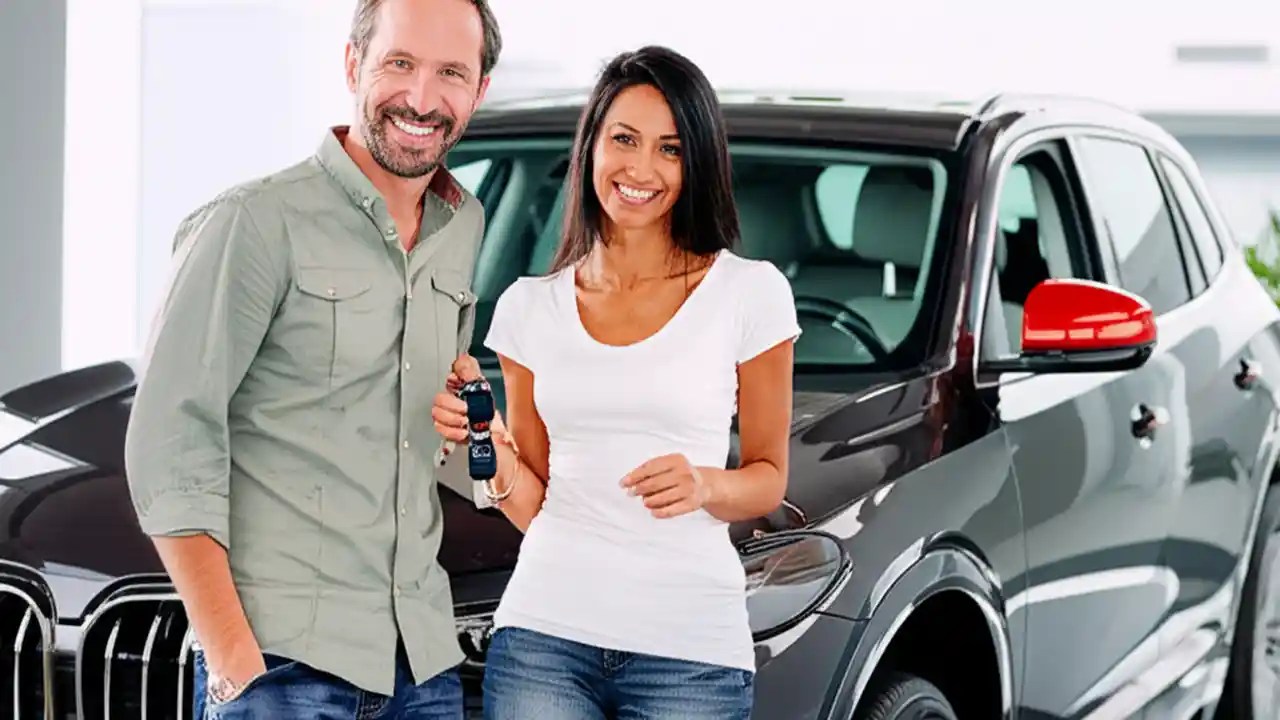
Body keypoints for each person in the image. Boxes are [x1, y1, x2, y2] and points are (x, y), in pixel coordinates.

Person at [123, 0, 501, 716]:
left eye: (450, 72)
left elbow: (423, 431)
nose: (421, 99)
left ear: (478, 89)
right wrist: (233, 657)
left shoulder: (465, 225)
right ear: (353, 63)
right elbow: (168, 445)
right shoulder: (253, 222)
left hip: (421, 665)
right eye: (400, 63)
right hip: (283, 667)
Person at [432, 45, 800, 719]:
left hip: (689, 649)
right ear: (591, 147)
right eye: (624, 139)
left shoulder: (750, 294)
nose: (640, 168)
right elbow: (535, 503)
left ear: (698, 164)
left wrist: (705, 483)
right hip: (545, 636)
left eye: (670, 148)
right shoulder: (527, 307)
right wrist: (484, 440)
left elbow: (769, 476)